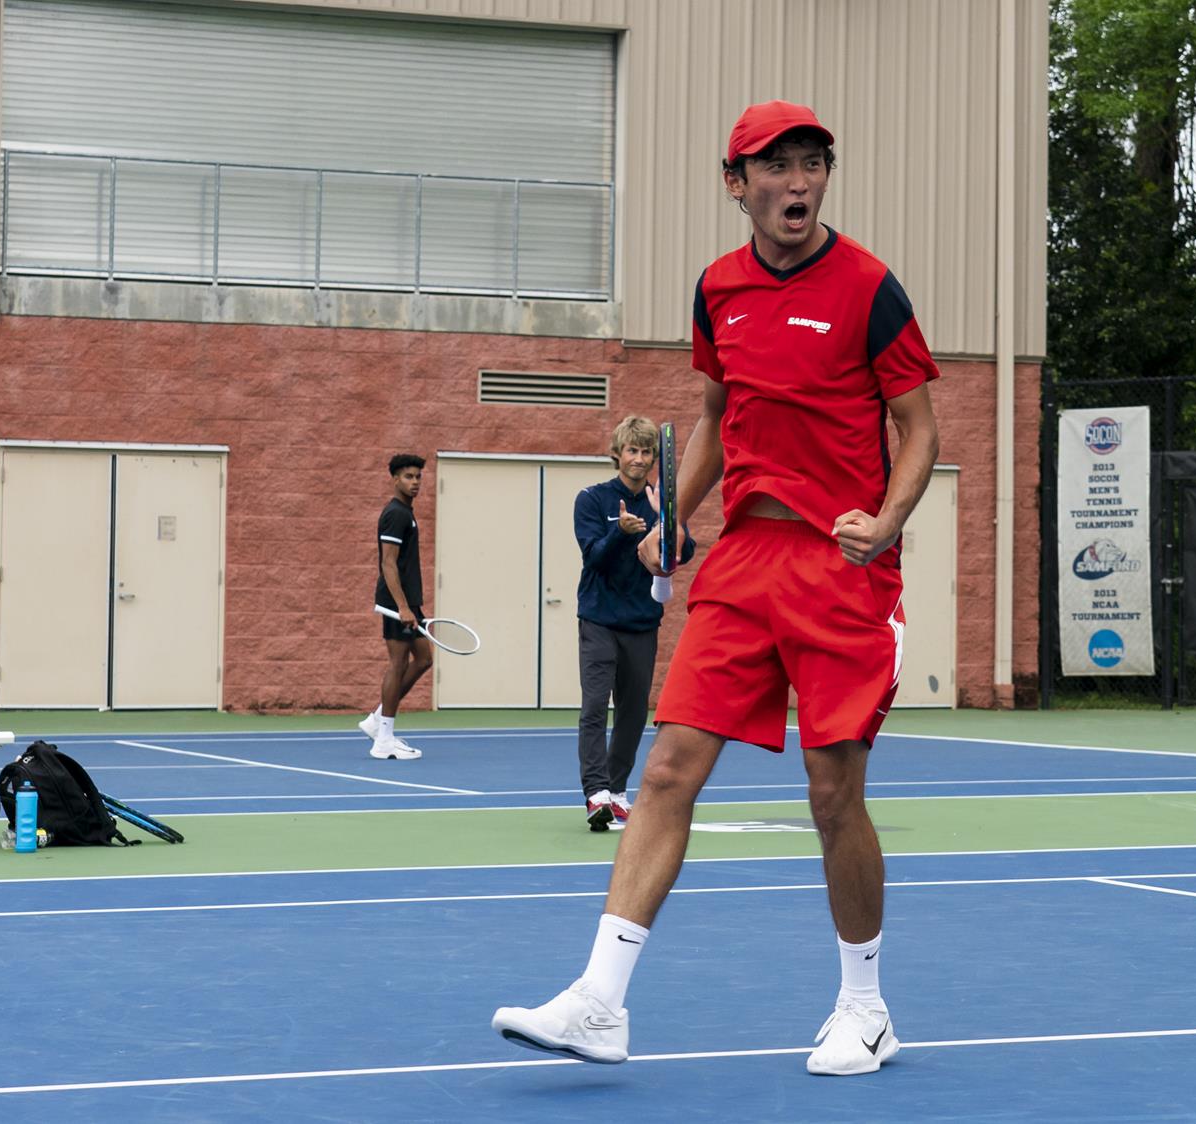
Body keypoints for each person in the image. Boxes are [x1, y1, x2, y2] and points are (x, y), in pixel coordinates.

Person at [492, 100, 940, 1076]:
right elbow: (713, 413)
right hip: (742, 558)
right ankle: (599, 1003)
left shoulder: (868, 288)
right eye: (774, 167)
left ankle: (864, 1006)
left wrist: (889, 518)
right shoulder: (718, 291)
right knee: (663, 769)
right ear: (734, 183)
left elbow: (920, 429)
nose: (797, 181)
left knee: (832, 793)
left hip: (841, 564)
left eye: (811, 163)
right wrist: (669, 516)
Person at [573, 416, 695, 832]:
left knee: (632, 712)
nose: (639, 458)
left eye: (646, 452)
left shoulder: (660, 502)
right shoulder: (591, 500)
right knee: (594, 707)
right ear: (617, 454)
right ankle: (596, 794)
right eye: (632, 451)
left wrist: (669, 520)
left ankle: (618, 792)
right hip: (598, 620)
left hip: (642, 622)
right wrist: (621, 534)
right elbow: (594, 558)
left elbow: (686, 552)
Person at [358, 453, 429, 760]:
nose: (414, 482)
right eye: (408, 477)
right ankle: (383, 738)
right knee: (398, 663)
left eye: (418, 477)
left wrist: (410, 604)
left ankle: (377, 719)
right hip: (395, 603)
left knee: (423, 658)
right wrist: (402, 606)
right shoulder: (396, 514)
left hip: (408, 602)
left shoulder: (407, 513)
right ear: (395, 479)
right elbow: (388, 563)